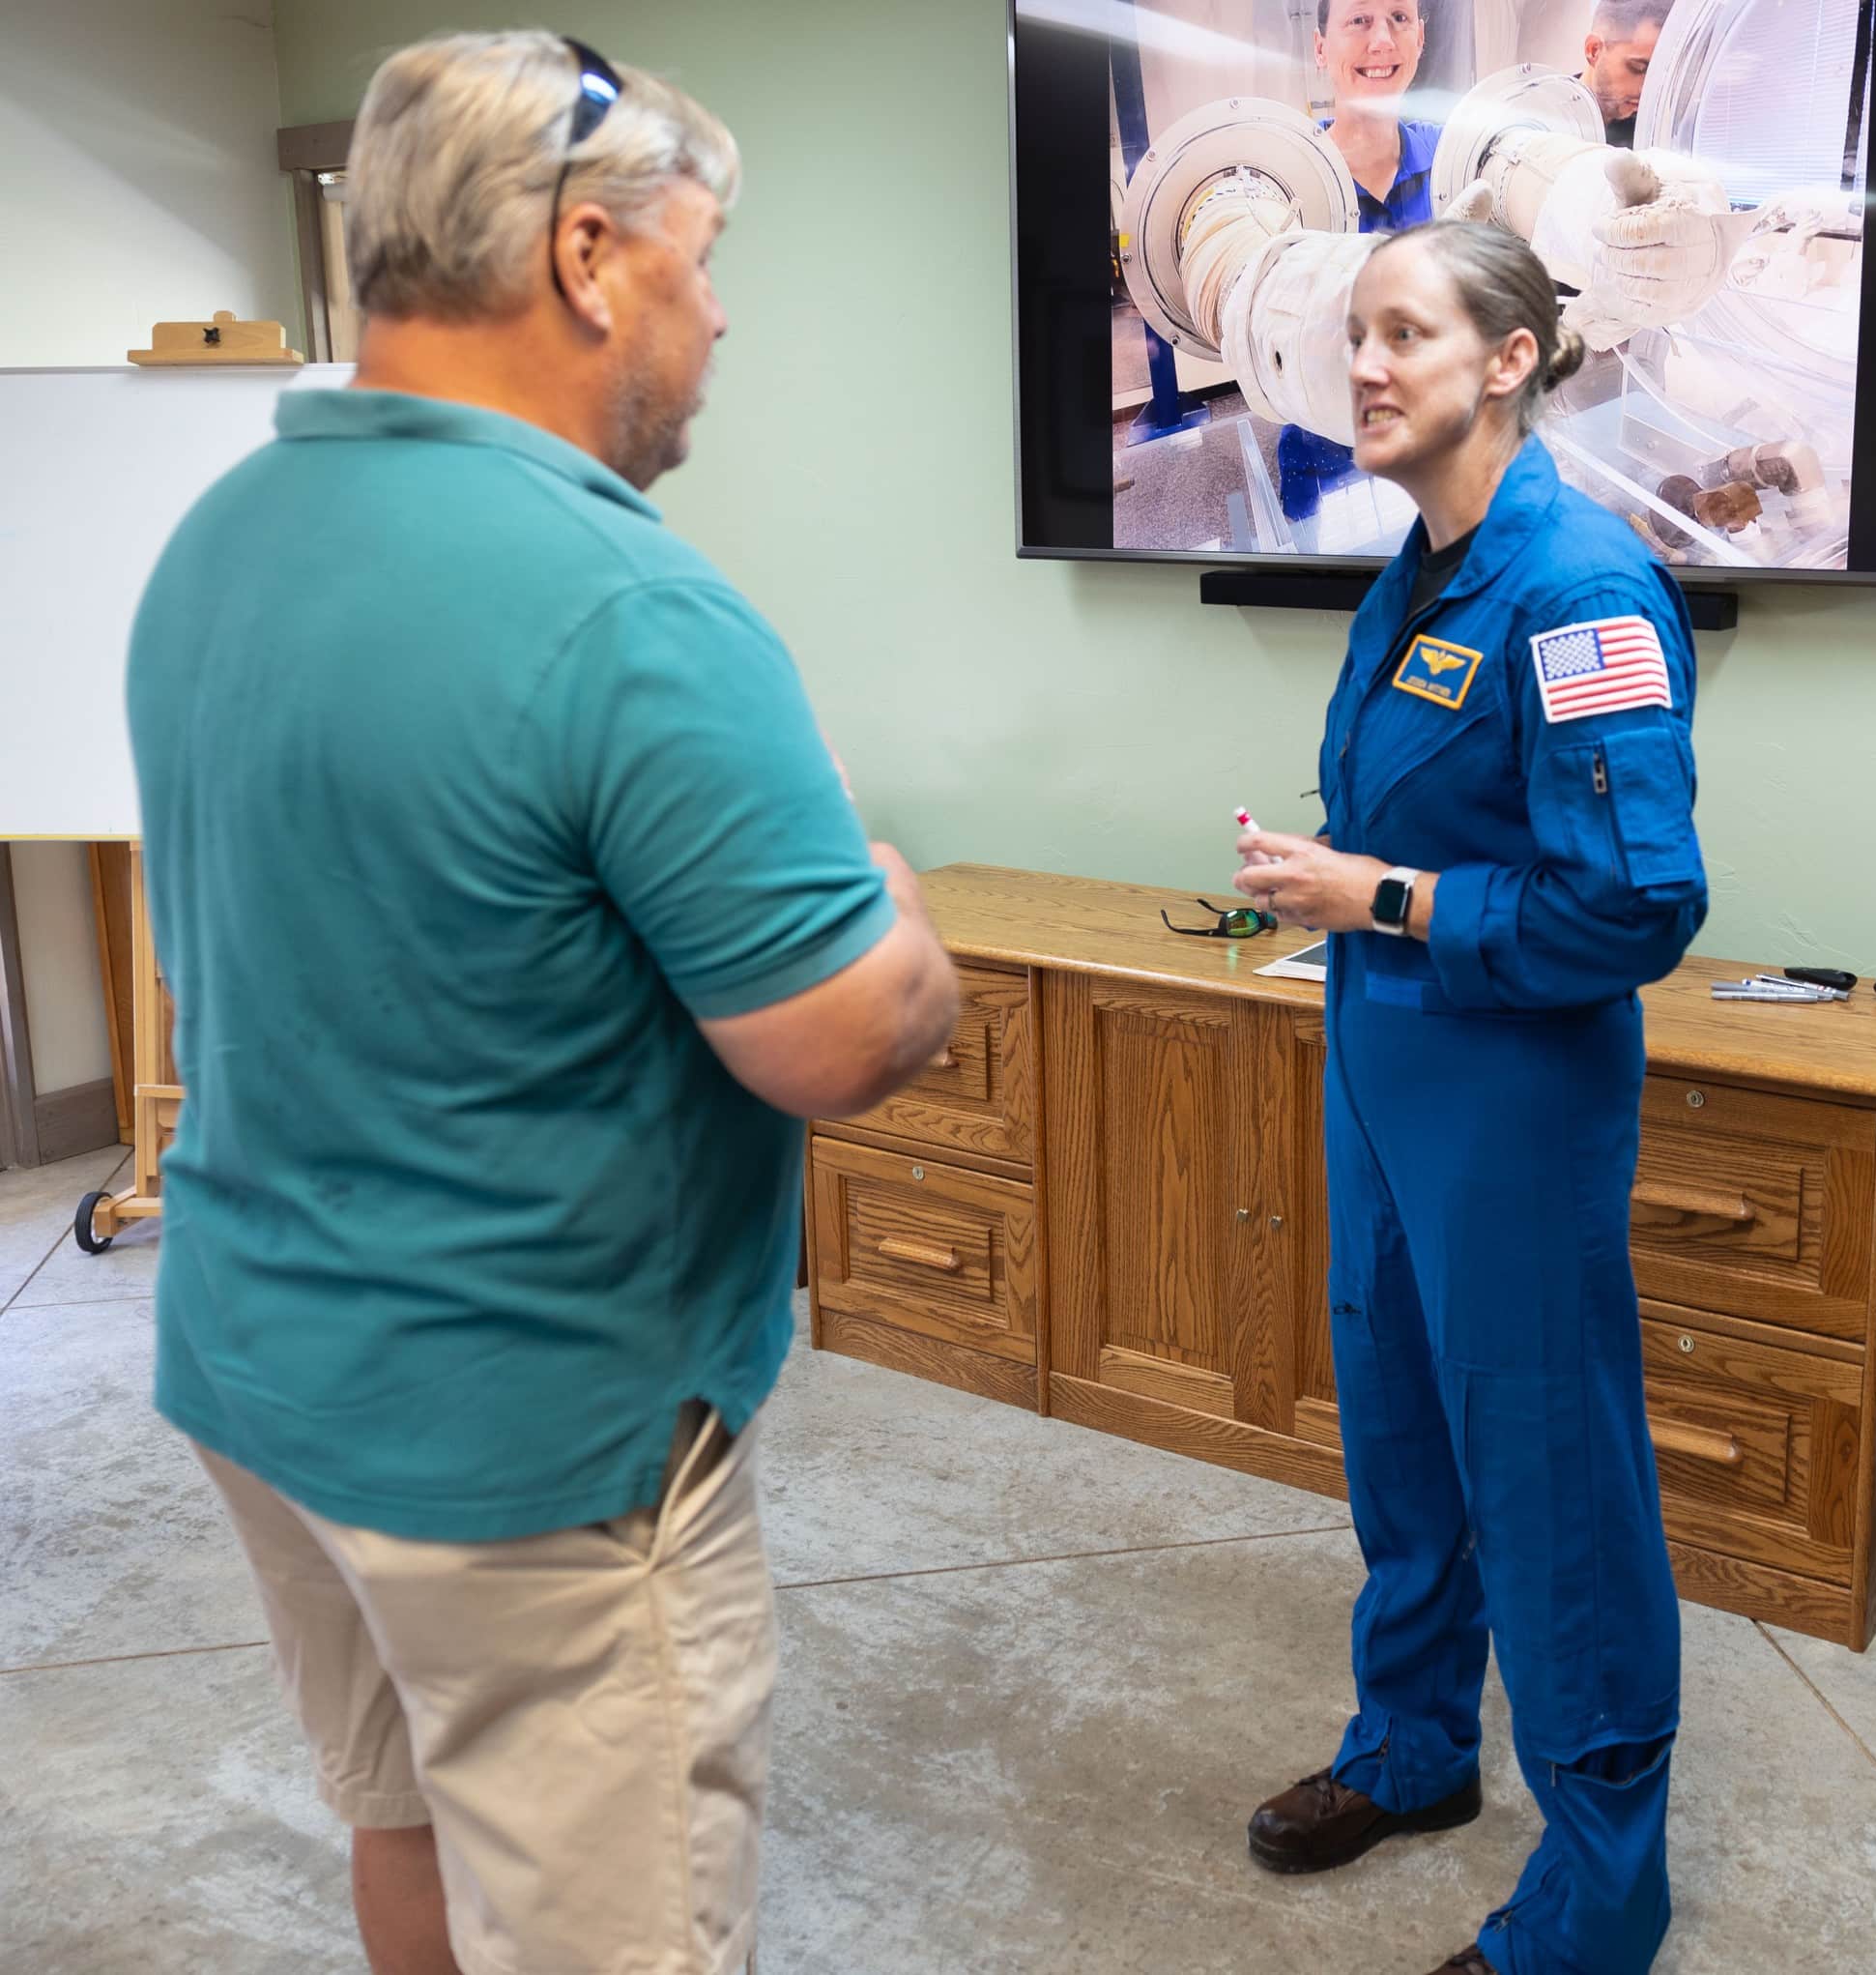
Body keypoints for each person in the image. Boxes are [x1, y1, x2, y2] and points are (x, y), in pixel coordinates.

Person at [127, 30, 958, 1975]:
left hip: (260, 1366)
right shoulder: (631, 609)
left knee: (404, 1815)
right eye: (700, 257)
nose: (717, 315)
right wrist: (897, 897)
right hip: (525, 1449)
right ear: (587, 256)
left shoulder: (220, 538)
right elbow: (839, 1034)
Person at [1232, 218, 1708, 1975]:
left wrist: (1381, 895)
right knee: (1403, 1438)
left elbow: (1634, 905)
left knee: (1548, 1478)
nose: (1363, 365)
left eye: (1406, 333)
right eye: (1356, 333)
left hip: (1509, 1094)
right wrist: (1341, 887)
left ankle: (1599, 1893)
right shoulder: (1418, 568)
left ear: (1508, 359)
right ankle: (1415, 1745)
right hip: (1384, 1071)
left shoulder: (1579, 588)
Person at [1280, 0, 1442, 520]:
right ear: (1320, 47)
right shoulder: (1290, 181)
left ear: (1420, 37)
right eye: (1358, 20)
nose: (1382, 41)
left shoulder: (1452, 159)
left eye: (1399, 18)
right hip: (1326, 457)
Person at [1580, 0, 1674, 146]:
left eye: (1659, 75)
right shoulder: (1546, 118)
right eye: (1637, 68)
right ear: (1594, 50)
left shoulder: (1655, 136)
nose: (1646, 89)